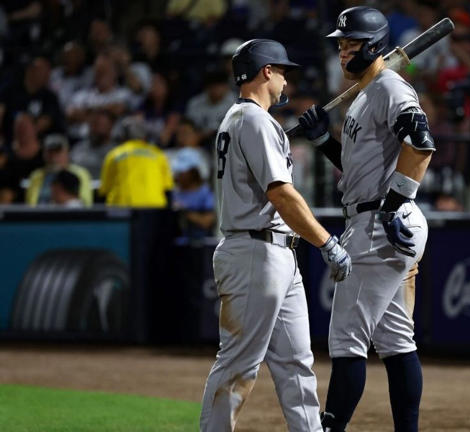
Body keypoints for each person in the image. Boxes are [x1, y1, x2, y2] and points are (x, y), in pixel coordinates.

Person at [199, 39, 351, 432]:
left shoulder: (248, 120)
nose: (286, 79)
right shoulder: (252, 119)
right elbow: (281, 194)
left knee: (296, 363)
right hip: (254, 251)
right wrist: (327, 241)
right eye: (282, 71)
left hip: (274, 252)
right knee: (238, 365)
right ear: (266, 72)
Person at [298, 7, 435, 431]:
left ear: (374, 45)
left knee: (346, 341)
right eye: (340, 43)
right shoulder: (366, 93)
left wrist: (395, 203)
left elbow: (421, 143)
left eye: (350, 43)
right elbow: (359, 171)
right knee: (394, 340)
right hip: (376, 213)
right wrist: (324, 141)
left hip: (381, 220)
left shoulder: (390, 88)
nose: (342, 51)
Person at [99, 116, 173, 207]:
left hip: (121, 208)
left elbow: (105, 190)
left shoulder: (113, 155)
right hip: (154, 208)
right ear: (145, 136)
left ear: (122, 135)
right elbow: (167, 188)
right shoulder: (158, 154)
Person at [26, 134, 92, 207]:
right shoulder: (36, 176)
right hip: (38, 216)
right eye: (50, 152)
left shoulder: (79, 174)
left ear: (67, 152)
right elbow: (30, 205)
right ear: (44, 154)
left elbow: (85, 204)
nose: (53, 157)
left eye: (58, 152)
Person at [170, 148, 215, 239]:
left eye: (182, 172)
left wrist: (184, 212)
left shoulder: (204, 193)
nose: (178, 175)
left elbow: (207, 222)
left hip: (199, 245)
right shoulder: (174, 193)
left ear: (193, 172)